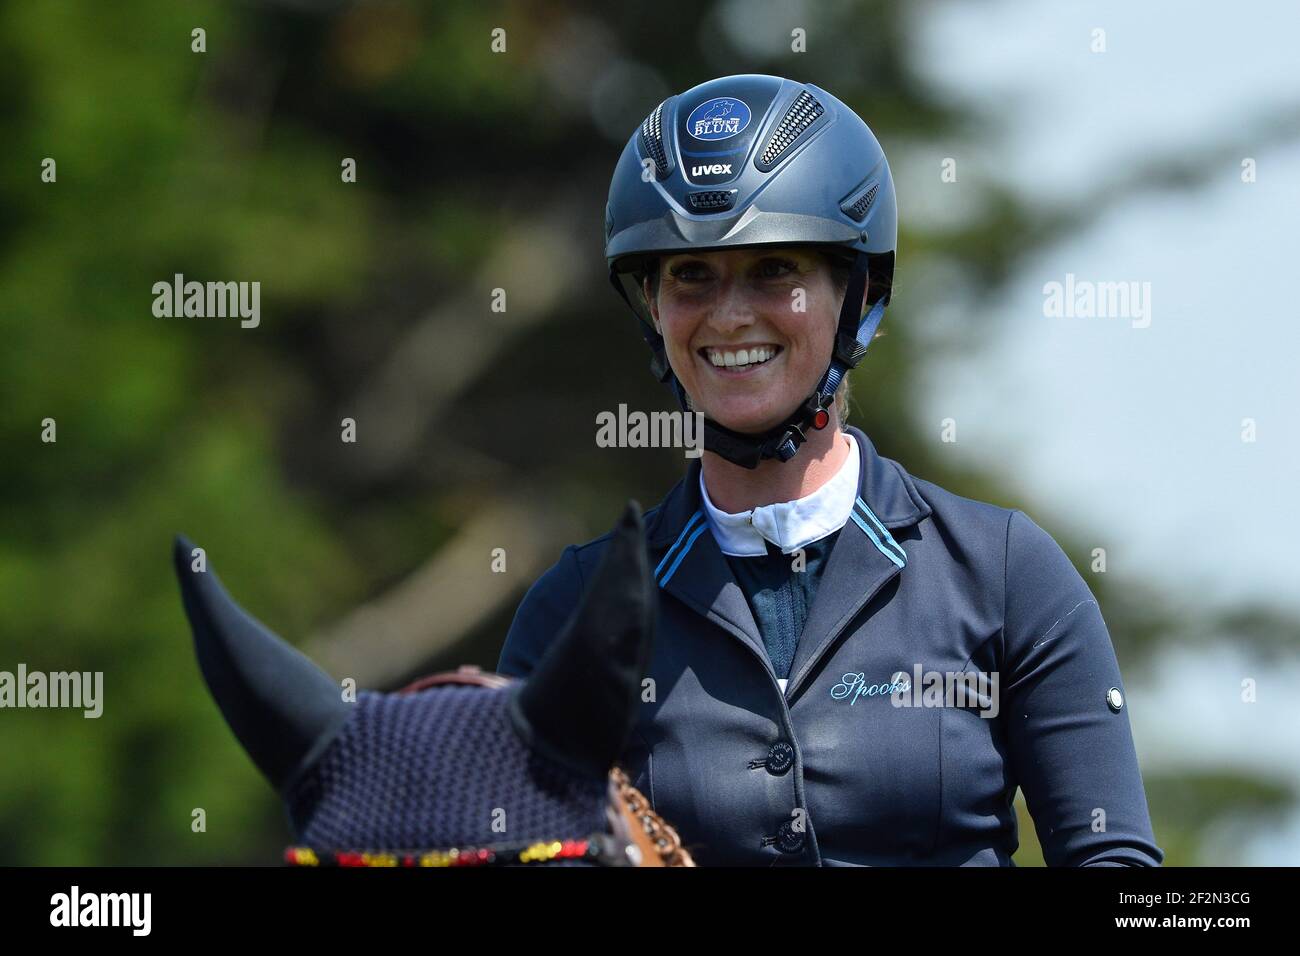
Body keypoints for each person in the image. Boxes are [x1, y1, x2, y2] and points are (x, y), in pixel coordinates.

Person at [497, 73, 1164, 866]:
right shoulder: (573, 612)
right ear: (651, 304)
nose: (730, 314)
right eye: (690, 275)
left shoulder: (1007, 575)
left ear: (859, 292)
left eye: (775, 269)